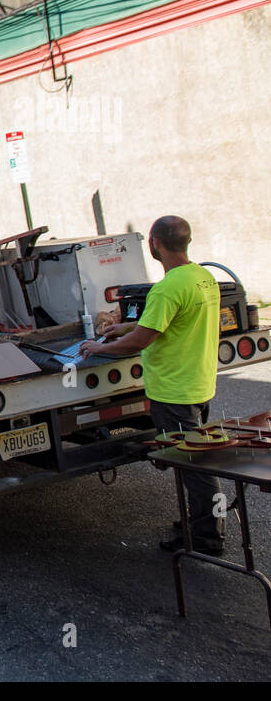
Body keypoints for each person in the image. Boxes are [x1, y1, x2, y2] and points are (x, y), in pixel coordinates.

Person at [80, 216, 224, 555]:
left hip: (174, 393)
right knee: (198, 462)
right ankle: (201, 520)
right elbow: (167, 323)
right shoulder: (203, 278)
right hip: (199, 385)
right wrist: (124, 327)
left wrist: (101, 346)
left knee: (196, 468)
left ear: (154, 243)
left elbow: (142, 340)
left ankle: (207, 537)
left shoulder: (167, 288)